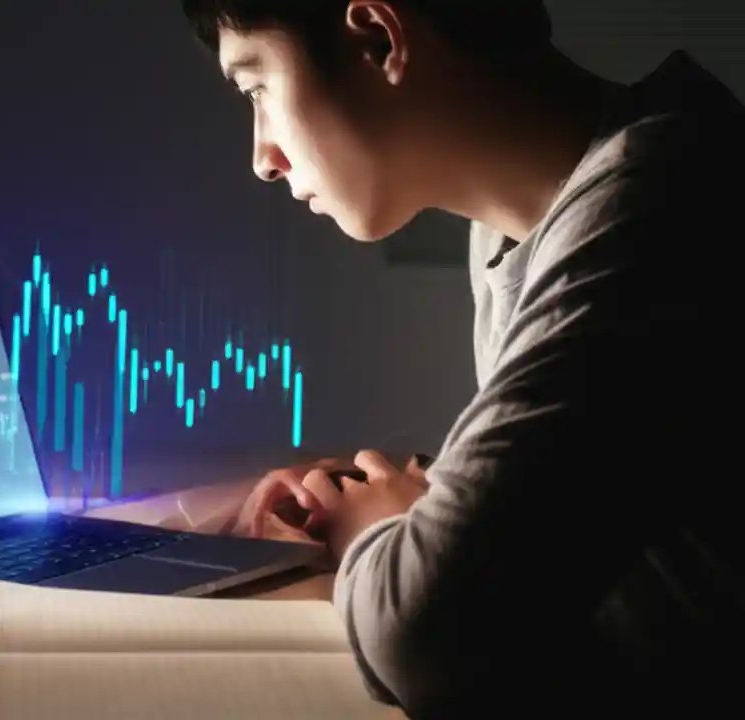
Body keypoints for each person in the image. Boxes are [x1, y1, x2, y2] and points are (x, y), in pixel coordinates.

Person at [178, 1, 745, 718]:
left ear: (378, 39)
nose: (263, 157)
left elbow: (422, 631)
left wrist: (370, 532)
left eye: (257, 87)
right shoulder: (513, 233)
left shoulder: (658, 211)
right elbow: (568, 493)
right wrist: (397, 501)